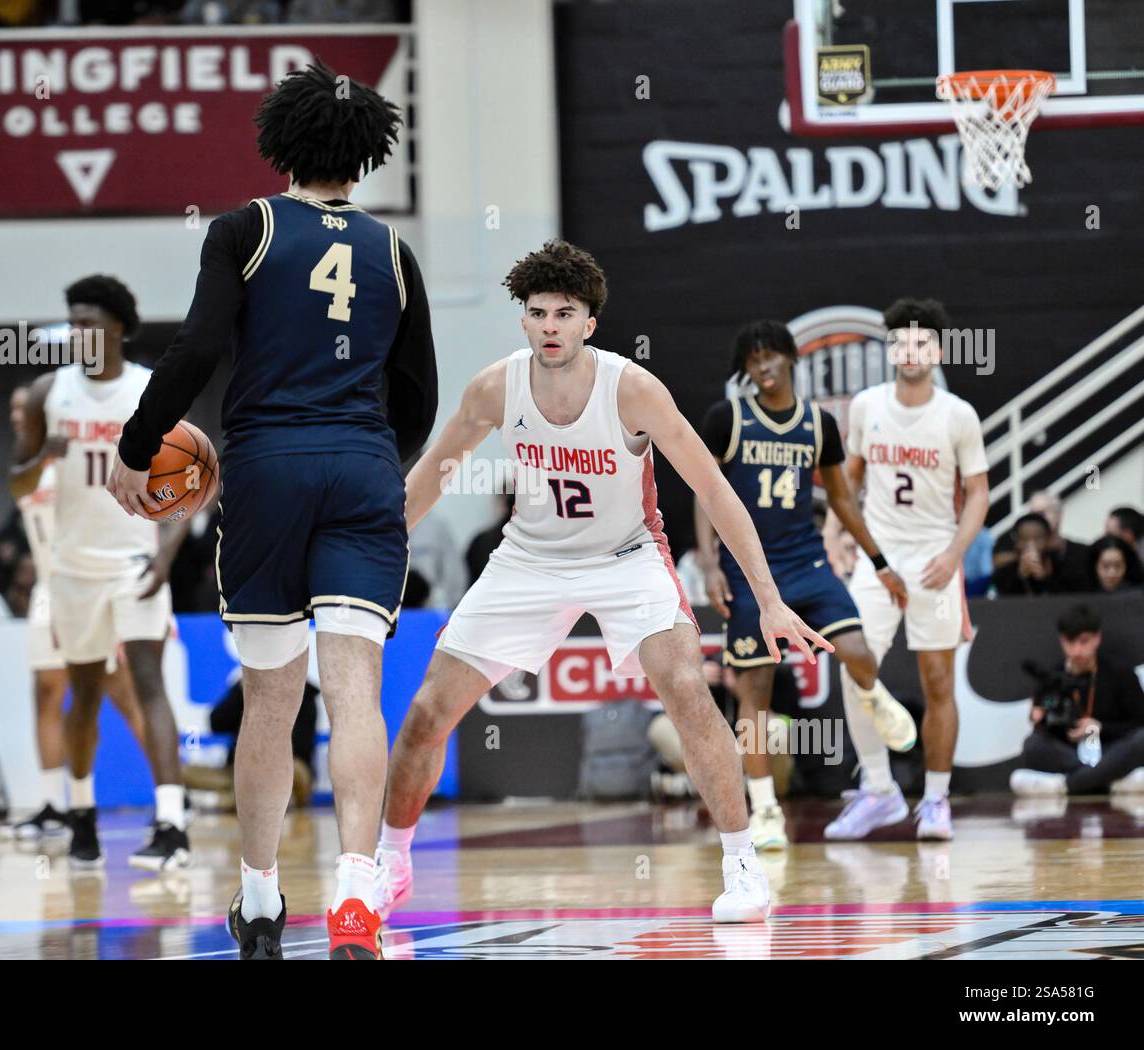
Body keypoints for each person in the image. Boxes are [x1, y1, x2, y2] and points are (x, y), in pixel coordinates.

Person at [371, 240, 832, 926]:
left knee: (685, 686)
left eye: (565, 313)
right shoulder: (496, 388)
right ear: (523, 321)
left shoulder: (632, 388)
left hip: (627, 556)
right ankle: (390, 859)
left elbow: (714, 487)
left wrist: (768, 599)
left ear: (590, 323)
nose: (550, 325)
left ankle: (742, 862)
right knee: (428, 714)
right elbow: (432, 475)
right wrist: (368, 551)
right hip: (528, 558)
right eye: (537, 313)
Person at [106, 60, 438, 960]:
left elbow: (197, 348)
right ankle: (358, 894)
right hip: (367, 470)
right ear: (367, 153)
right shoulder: (393, 253)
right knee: (356, 692)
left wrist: (138, 447)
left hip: (268, 470)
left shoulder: (244, 229)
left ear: (277, 140)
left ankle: (258, 902)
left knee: (269, 698)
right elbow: (421, 398)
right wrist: (371, 462)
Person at [697, 320, 914, 850]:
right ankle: (765, 809)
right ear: (744, 370)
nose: (763, 366)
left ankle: (874, 695)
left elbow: (842, 500)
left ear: (792, 358)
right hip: (751, 572)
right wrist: (708, 562)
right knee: (756, 692)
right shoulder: (729, 419)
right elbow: (704, 489)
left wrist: (879, 560)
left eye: (771, 355)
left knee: (858, 649)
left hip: (807, 563)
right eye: (753, 360)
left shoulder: (819, 424)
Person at [11, 276, 194, 872]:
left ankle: (172, 824)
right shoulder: (47, 392)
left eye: (91, 320)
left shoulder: (149, 389)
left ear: (118, 327)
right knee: (83, 694)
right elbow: (15, 484)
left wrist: (166, 558)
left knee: (149, 682)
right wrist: (41, 459)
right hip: (71, 569)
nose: (80, 332)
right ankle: (81, 817)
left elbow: (195, 480)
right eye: (74, 321)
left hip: (135, 562)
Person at [825, 298, 990, 841]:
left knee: (938, 680)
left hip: (935, 562)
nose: (910, 350)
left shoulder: (957, 414)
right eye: (900, 342)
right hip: (878, 559)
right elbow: (845, 478)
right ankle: (878, 790)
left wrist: (956, 552)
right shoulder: (867, 406)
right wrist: (836, 534)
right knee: (855, 667)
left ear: (938, 351)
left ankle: (936, 801)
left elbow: (979, 494)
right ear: (889, 349)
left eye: (920, 342)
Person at [4, 383, 146, 841]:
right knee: (46, 693)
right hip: (51, 589)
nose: (16, 415)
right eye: (13, 410)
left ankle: (173, 794)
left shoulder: (81, 453)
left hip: (96, 583)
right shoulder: (31, 464)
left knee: (124, 695)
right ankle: (51, 803)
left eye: (23, 407)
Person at [1010, 604, 1144, 797]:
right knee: (1033, 746)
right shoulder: (1052, 679)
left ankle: (1068, 785)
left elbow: (1139, 722)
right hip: (1071, 753)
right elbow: (1045, 730)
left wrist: (1100, 727)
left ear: (1097, 638)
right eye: (1070, 642)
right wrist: (1041, 718)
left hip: (1110, 749)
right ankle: (1107, 782)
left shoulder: (1120, 673)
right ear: (1061, 640)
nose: (1077, 650)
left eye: (1084, 642)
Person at [992, 490, 1092, 591]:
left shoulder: (1082, 554)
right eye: (1032, 513)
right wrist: (1021, 576)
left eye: (1042, 513)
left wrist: (1044, 579)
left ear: (1059, 515)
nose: (1036, 518)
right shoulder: (1009, 563)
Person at [991, 513, 1078, 596]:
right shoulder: (1005, 571)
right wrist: (1020, 577)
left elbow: (1068, 601)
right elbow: (1001, 603)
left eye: (1038, 538)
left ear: (1049, 540)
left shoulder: (1064, 566)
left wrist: (1043, 579)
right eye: (1024, 539)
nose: (1031, 545)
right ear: (1016, 542)